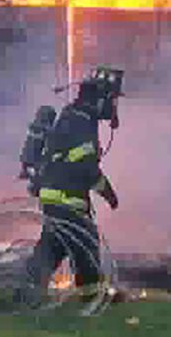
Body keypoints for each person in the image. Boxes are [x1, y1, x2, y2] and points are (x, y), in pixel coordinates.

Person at [28, 66, 123, 297]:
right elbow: (87, 169)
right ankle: (92, 296)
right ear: (100, 98)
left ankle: (27, 288)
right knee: (85, 243)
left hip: (55, 196)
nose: (112, 108)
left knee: (55, 244)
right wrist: (109, 195)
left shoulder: (74, 115)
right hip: (67, 198)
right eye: (111, 100)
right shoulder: (82, 123)